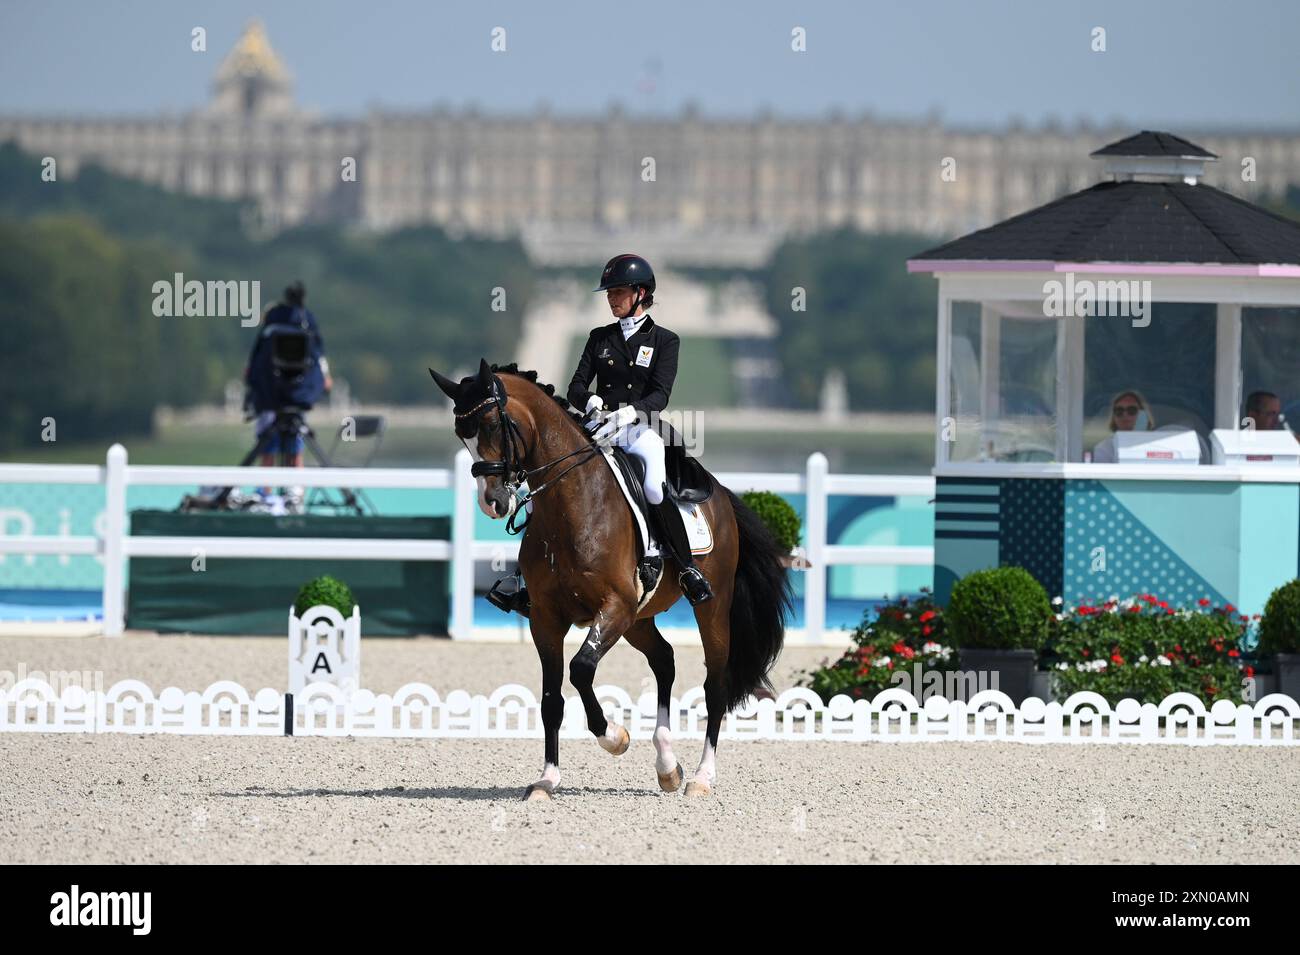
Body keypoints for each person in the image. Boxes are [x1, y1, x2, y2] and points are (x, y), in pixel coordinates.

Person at [486, 254, 713, 616]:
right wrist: (589, 399)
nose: (611, 299)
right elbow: (576, 386)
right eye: (609, 293)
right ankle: (525, 578)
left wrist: (631, 411)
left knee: (654, 483)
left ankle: (680, 566)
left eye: (619, 292)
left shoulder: (665, 341)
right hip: (597, 427)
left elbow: (660, 394)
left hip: (640, 429)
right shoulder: (599, 338)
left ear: (641, 294)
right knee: (538, 493)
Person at [243, 281, 332, 503]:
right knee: (295, 449)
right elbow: (319, 361)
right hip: (296, 394)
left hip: (270, 397)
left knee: (268, 449)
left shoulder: (272, 326)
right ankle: (295, 492)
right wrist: (315, 384)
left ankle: (265, 493)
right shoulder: (307, 324)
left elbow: (253, 368)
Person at [1090, 389, 1154, 463]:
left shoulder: (1157, 444)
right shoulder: (1105, 448)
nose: (1125, 414)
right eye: (1119, 411)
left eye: (1131, 410)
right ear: (1114, 417)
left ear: (1143, 414)